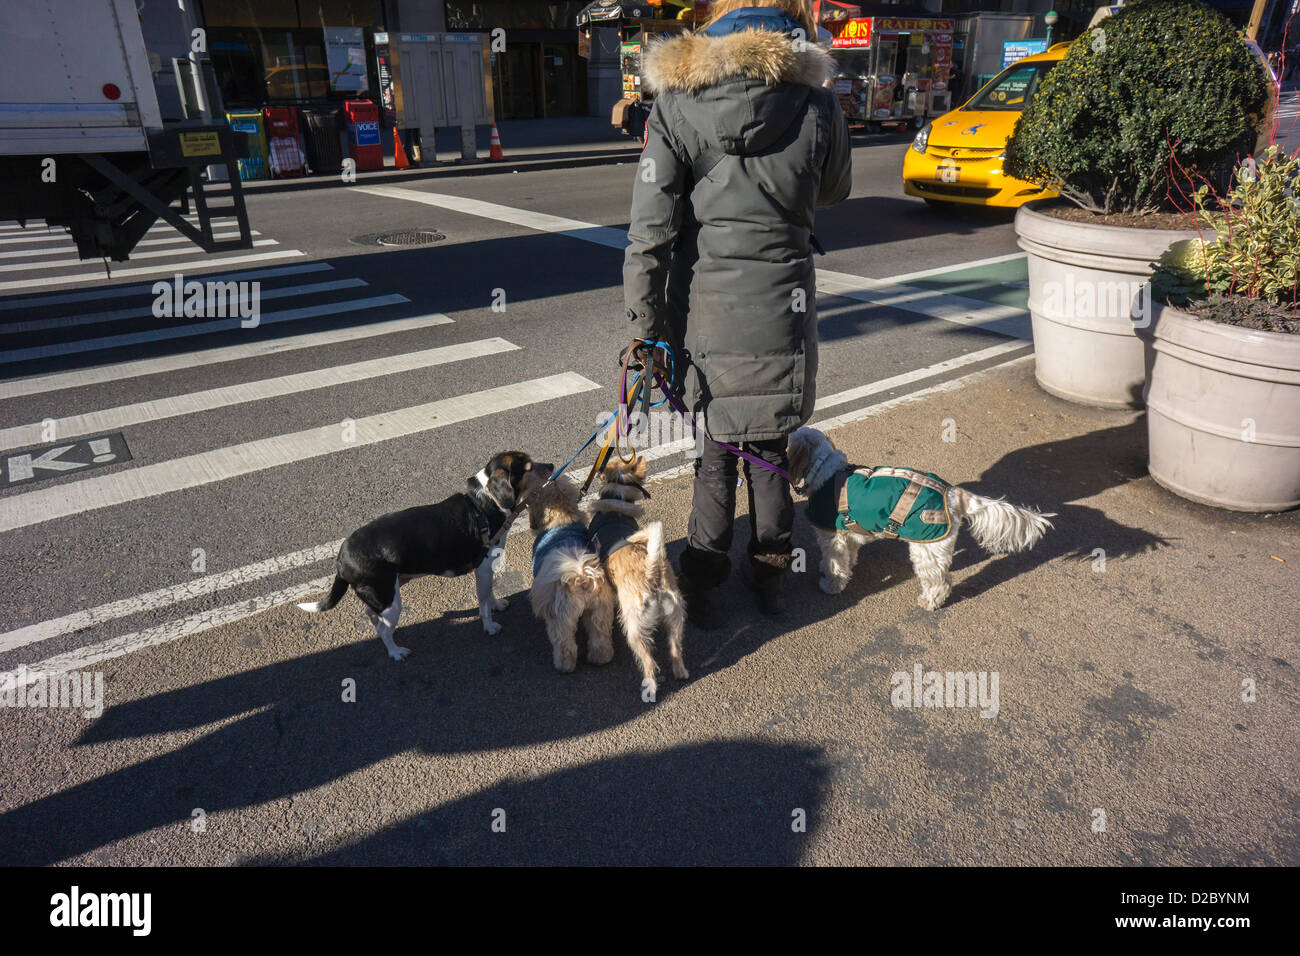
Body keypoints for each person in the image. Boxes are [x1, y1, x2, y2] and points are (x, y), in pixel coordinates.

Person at [622, 0, 852, 625]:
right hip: (783, 307)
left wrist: (645, 332)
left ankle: (702, 585)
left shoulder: (675, 103)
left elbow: (650, 235)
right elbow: (833, 190)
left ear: (714, 17)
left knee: (716, 456)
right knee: (770, 453)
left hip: (704, 313)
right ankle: (771, 580)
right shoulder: (817, 101)